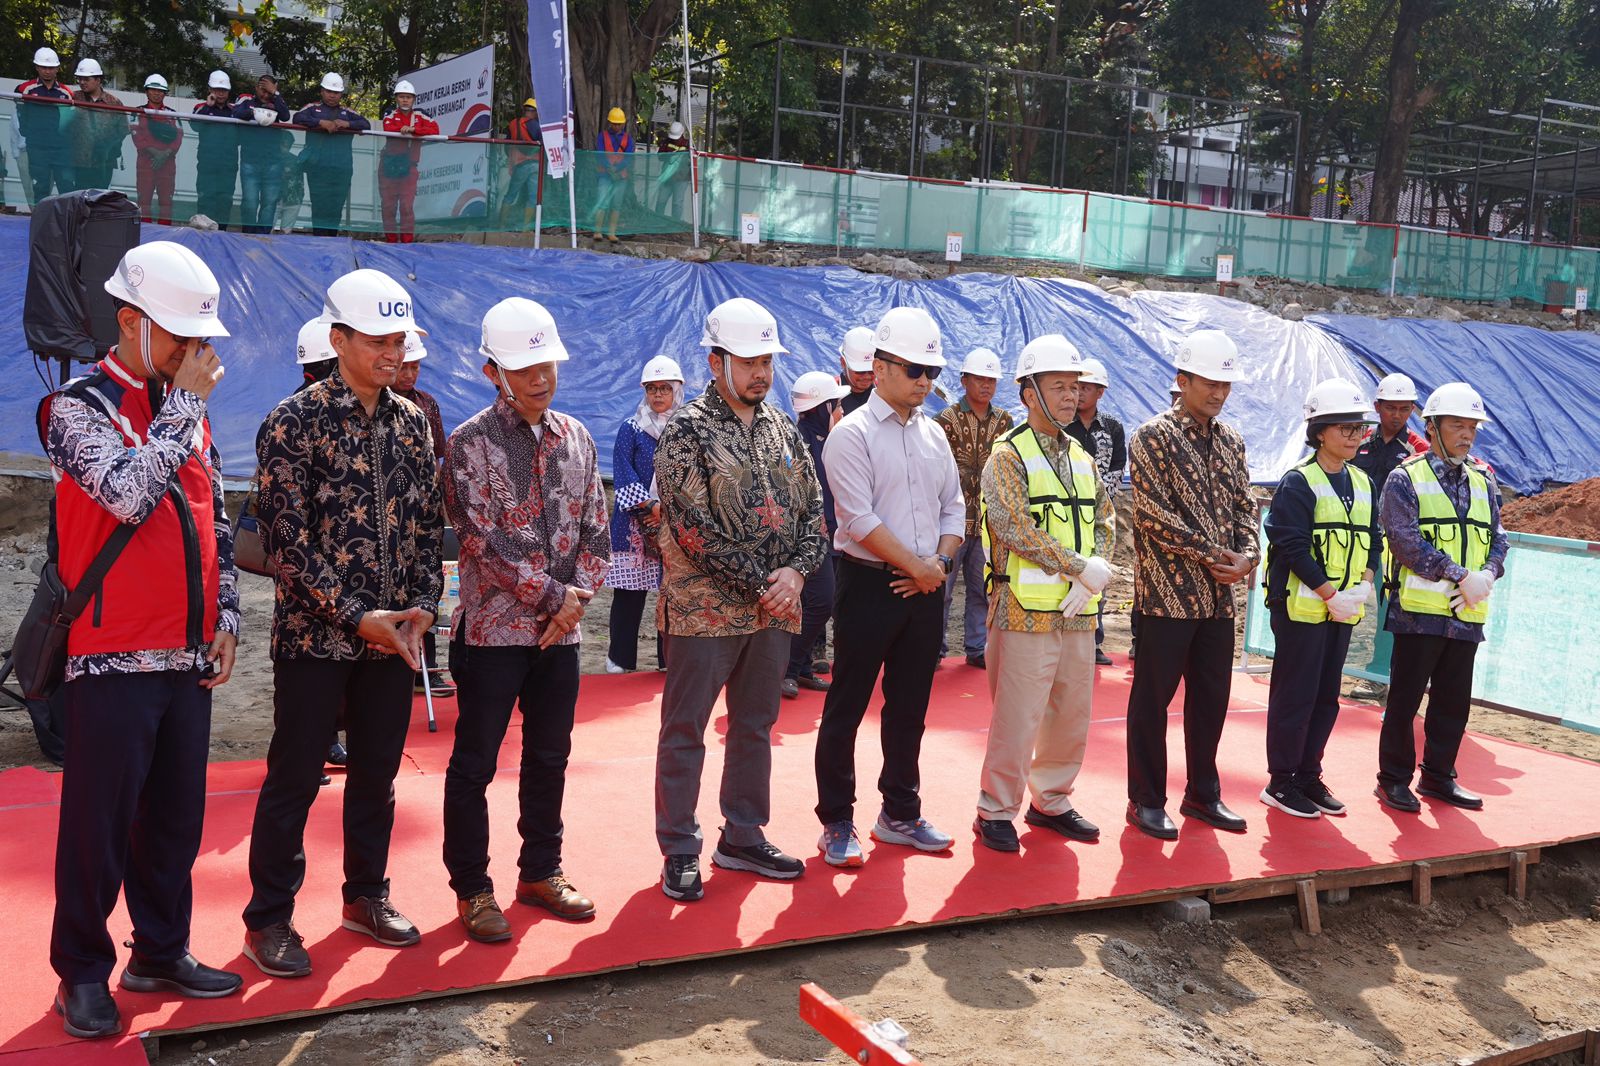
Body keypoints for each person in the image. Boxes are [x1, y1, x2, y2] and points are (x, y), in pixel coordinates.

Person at [43, 241, 242, 1039]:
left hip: (187, 657)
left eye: (204, 343)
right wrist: (184, 408)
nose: (200, 356)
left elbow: (215, 521)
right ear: (131, 323)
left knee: (174, 822)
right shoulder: (74, 409)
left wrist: (224, 617)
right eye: (185, 340)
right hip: (110, 655)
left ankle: (161, 949)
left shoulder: (186, 417)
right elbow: (125, 494)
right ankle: (81, 973)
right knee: (97, 825)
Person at [243, 269, 442, 977]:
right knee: (295, 776)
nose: (394, 352)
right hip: (315, 641)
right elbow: (287, 546)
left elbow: (427, 527)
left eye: (400, 339)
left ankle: (365, 895)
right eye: (380, 339)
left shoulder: (412, 420)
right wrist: (360, 618)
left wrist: (422, 608)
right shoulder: (292, 422)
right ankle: (268, 919)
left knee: (378, 776)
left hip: (394, 643)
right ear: (339, 339)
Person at [442, 297, 611, 941]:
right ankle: (473, 889)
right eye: (526, 366)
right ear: (493, 372)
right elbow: (481, 539)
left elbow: (598, 527)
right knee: (475, 764)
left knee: (550, 757)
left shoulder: (579, 439)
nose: (541, 377)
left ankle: (541, 869)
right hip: (492, 634)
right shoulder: (468, 444)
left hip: (559, 636)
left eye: (548, 363)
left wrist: (578, 600)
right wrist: (554, 599)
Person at [652, 297, 827, 901]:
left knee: (755, 726)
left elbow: (813, 511)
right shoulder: (685, 429)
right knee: (686, 730)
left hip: (775, 611)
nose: (761, 372)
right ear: (715, 360)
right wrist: (766, 582)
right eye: (749, 361)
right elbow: (692, 529)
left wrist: (797, 576)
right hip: (704, 613)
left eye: (767, 362)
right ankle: (679, 847)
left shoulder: (782, 426)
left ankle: (743, 834)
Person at [814, 306, 965, 867]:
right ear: (879, 368)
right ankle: (836, 820)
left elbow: (955, 507)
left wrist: (938, 567)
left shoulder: (935, 435)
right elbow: (857, 520)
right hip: (870, 585)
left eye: (931, 371)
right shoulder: (850, 435)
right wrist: (920, 568)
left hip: (927, 587)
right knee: (847, 704)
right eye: (914, 369)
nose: (925, 381)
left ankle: (900, 811)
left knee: (910, 707)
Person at [972, 335, 1113, 852]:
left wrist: (1096, 568)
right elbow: (1011, 526)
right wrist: (1080, 567)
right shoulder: (1007, 457)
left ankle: (1051, 800)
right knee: (1018, 714)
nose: (1071, 397)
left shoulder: (1082, 455)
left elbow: (1105, 519)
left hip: (1078, 610)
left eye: (1074, 387)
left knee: (1070, 712)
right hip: (1023, 608)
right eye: (1058, 387)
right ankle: (995, 810)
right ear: (1028, 393)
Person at [1125, 330, 1258, 841]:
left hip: (1218, 601)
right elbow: (1153, 513)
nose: (1219, 393)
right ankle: (1147, 800)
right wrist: (1214, 555)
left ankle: (1203, 793)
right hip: (1165, 595)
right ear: (1182, 380)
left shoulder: (1232, 442)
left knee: (1211, 699)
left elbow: (1246, 507)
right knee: (1151, 700)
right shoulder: (1151, 436)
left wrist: (1248, 556)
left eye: (1225, 384)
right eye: (1210, 382)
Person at [1375, 382, 1508, 813]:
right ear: (1431, 426)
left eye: (1472, 426)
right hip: (1419, 613)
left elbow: (1498, 539)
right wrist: (1461, 575)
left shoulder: (1484, 479)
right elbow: (1404, 541)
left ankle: (1438, 776)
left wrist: (1487, 574)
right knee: (1404, 701)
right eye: (1457, 424)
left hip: (1466, 613)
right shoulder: (1405, 477)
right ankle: (1393, 779)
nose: (1466, 434)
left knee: (1453, 702)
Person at [1260, 380, 1383, 819]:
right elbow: (1292, 546)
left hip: (1343, 609)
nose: (1354, 436)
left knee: (1326, 696)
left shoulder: (1365, 483)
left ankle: (1308, 775)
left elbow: (1372, 538)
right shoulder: (1299, 482)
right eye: (1344, 428)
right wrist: (1331, 594)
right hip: (1302, 609)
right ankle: (1281, 780)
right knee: (1296, 695)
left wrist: (1365, 584)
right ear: (1319, 431)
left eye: (1358, 429)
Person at [935, 347, 1013, 668]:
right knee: (943, 591)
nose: (986, 385)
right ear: (964, 380)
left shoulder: (1004, 421)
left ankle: (977, 647)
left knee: (983, 588)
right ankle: (934, 648)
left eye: (991, 380)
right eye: (979, 379)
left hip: (987, 522)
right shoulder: (947, 420)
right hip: (952, 522)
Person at [606, 355, 683, 674]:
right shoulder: (632, 428)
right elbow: (623, 471)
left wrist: (669, 508)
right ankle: (620, 660)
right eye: (652, 388)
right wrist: (649, 507)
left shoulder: (686, 428)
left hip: (675, 525)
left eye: (665, 388)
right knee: (628, 594)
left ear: (677, 390)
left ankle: (670, 661)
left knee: (672, 593)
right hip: (633, 526)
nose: (658, 395)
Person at [782, 370, 851, 699]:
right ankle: (789, 668)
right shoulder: (800, 444)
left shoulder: (827, 440)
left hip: (830, 535)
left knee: (817, 601)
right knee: (821, 601)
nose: (842, 411)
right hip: (809, 537)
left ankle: (803, 668)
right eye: (837, 405)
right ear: (822, 408)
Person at [1063, 356, 1127, 666]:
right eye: (1079, 387)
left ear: (1100, 392)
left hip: (1100, 517)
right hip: (1067, 514)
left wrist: (1100, 503)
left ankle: (1093, 641)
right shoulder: (1062, 425)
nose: (1080, 393)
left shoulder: (1113, 427)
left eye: (1088, 388)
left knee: (1098, 575)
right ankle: (1067, 637)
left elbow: (1117, 469)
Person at [1127, 380, 1185, 665]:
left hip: (1202, 570)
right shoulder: (1153, 437)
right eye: (1174, 395)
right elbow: (1152, 506)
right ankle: (1138, 639)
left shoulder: (1224, 441)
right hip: (1155, 549)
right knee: (1145, 588)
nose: (1178, 400)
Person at [293, 73, 371, 237]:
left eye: (336, 92)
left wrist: (347, 124)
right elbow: (297, 117)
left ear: (341, 94)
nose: (332, 95)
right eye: (329, 91)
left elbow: (366, 124)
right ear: (322, 91)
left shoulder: (347, 112)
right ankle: (319, 241)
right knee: (319, 206)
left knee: (336, 207)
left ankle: (332, 241)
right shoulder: (312, 108)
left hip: (341, 168)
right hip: (318, 167)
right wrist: (321, 123)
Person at [379, 80, 439, 244]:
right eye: (401, 97)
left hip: (410, 168)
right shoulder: (390, 113)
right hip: (389, 166)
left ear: (414, 99)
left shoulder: (421, 115)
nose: (405, 100)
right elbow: (388, 128)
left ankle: (407, 243)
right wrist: (404, 130)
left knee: (406, 206)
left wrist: (414, 130)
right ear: (396, 99)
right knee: (388, 206)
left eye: (408, 97)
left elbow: (435, 129)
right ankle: (391, 241)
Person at [231, 73, 292, 234]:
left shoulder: (277, 102)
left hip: (273, 162)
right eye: (262, 90)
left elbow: (286, 116)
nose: (265, 95)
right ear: (256, 88)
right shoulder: (246, 100)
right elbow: (235, 113)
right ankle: (248, 235)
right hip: (250, 161)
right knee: (250, 202)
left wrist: (276, 94)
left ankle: (263, 238)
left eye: (268, 91)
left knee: (269, 203)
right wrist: (254, 113)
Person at [1353, 373, 1430, 488]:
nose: (1397, 415)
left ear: (1412, 410)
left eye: (1404, 409)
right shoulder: (1357, 441)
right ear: (1377, 407)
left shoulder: (1420, 450)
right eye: (1390, 408)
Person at [19, 48, 76, 201]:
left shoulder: (66, 92)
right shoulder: (25, 89)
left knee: (66, 186)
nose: (47, 71)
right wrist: (29, 134)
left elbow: (70, 121)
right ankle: (40, 220)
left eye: (51, 68)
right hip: (37, 146)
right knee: (41, 186)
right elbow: (21, 116)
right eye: (43, 67)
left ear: (57, 69)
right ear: (37, 67)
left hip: (61, 148)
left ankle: (66, 221)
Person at [69, 59, 127, 193]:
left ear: (98, 80)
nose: (82, 82)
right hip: (78, 161)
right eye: (80, 79)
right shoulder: (73, 98)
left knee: (100, 198)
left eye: (86, 79)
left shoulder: (114, 102)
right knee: (78, 197)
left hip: (104, 162)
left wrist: (108, 147)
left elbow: (123, 130)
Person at [132, 75, 183, 225]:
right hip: (145, 163)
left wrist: (165, 154)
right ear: (146, 92)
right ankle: (144, 231)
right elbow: (136, 135)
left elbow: (179, 136)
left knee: (166, 201)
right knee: (144, 200)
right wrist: (156, 153)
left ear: (165, 93)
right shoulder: (138, 112)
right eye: (153, 89)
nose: (157, 93)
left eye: (161, 90)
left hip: (167, 164)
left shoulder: (172, 113)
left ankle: (165, 235)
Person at [192, 71, 239, 228]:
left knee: (225, 199)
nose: (220, 93)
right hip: (207, 163)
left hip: (228, 164)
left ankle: (221, 233)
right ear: (210, 89)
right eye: (217, 89)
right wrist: (208, 106)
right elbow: (194, 125)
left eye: (224, 90)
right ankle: (203, 232)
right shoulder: (201, 107)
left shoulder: (235, 111)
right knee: (206, 198)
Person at [499, 98, 542, 229]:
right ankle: (526, 228)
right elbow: (542, 142)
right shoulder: (534, 125)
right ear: (535, 112)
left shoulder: (513, 124)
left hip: (519, 164)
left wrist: (513, 158)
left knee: (510, 195)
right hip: (534, 164)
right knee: (533, 198)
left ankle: (501, 225)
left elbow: (507, 145)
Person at [592, 107, 633, 244]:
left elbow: (628, 158)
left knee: (616, 204)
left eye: (619, 123)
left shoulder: (628, 139)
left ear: (623, 124)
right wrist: (610, 169)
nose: (616, 126)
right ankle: (597, 231)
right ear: (609, 122)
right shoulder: (602, 136)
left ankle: (612, 233)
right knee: (602, 202)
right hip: (604, 174)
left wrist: (617, 170)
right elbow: (600, 153)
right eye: (614, 123)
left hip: (620, 176)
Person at [651, 119, 690, 218]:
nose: (674, 139)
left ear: (682, 133)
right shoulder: (666, 142)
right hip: (667, 177)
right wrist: (669, 156)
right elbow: (660, 156)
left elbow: (694, 160)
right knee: (661, 201)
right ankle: (657, 221)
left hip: (682, 178)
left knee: (677, 203)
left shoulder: (688, 144)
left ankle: (674, 225)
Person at [838, 326, 876, 416]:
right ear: (843, 363)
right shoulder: (829, 397)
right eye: (860, 371)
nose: (867, 376)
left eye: (872, 371)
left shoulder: (885, 391)